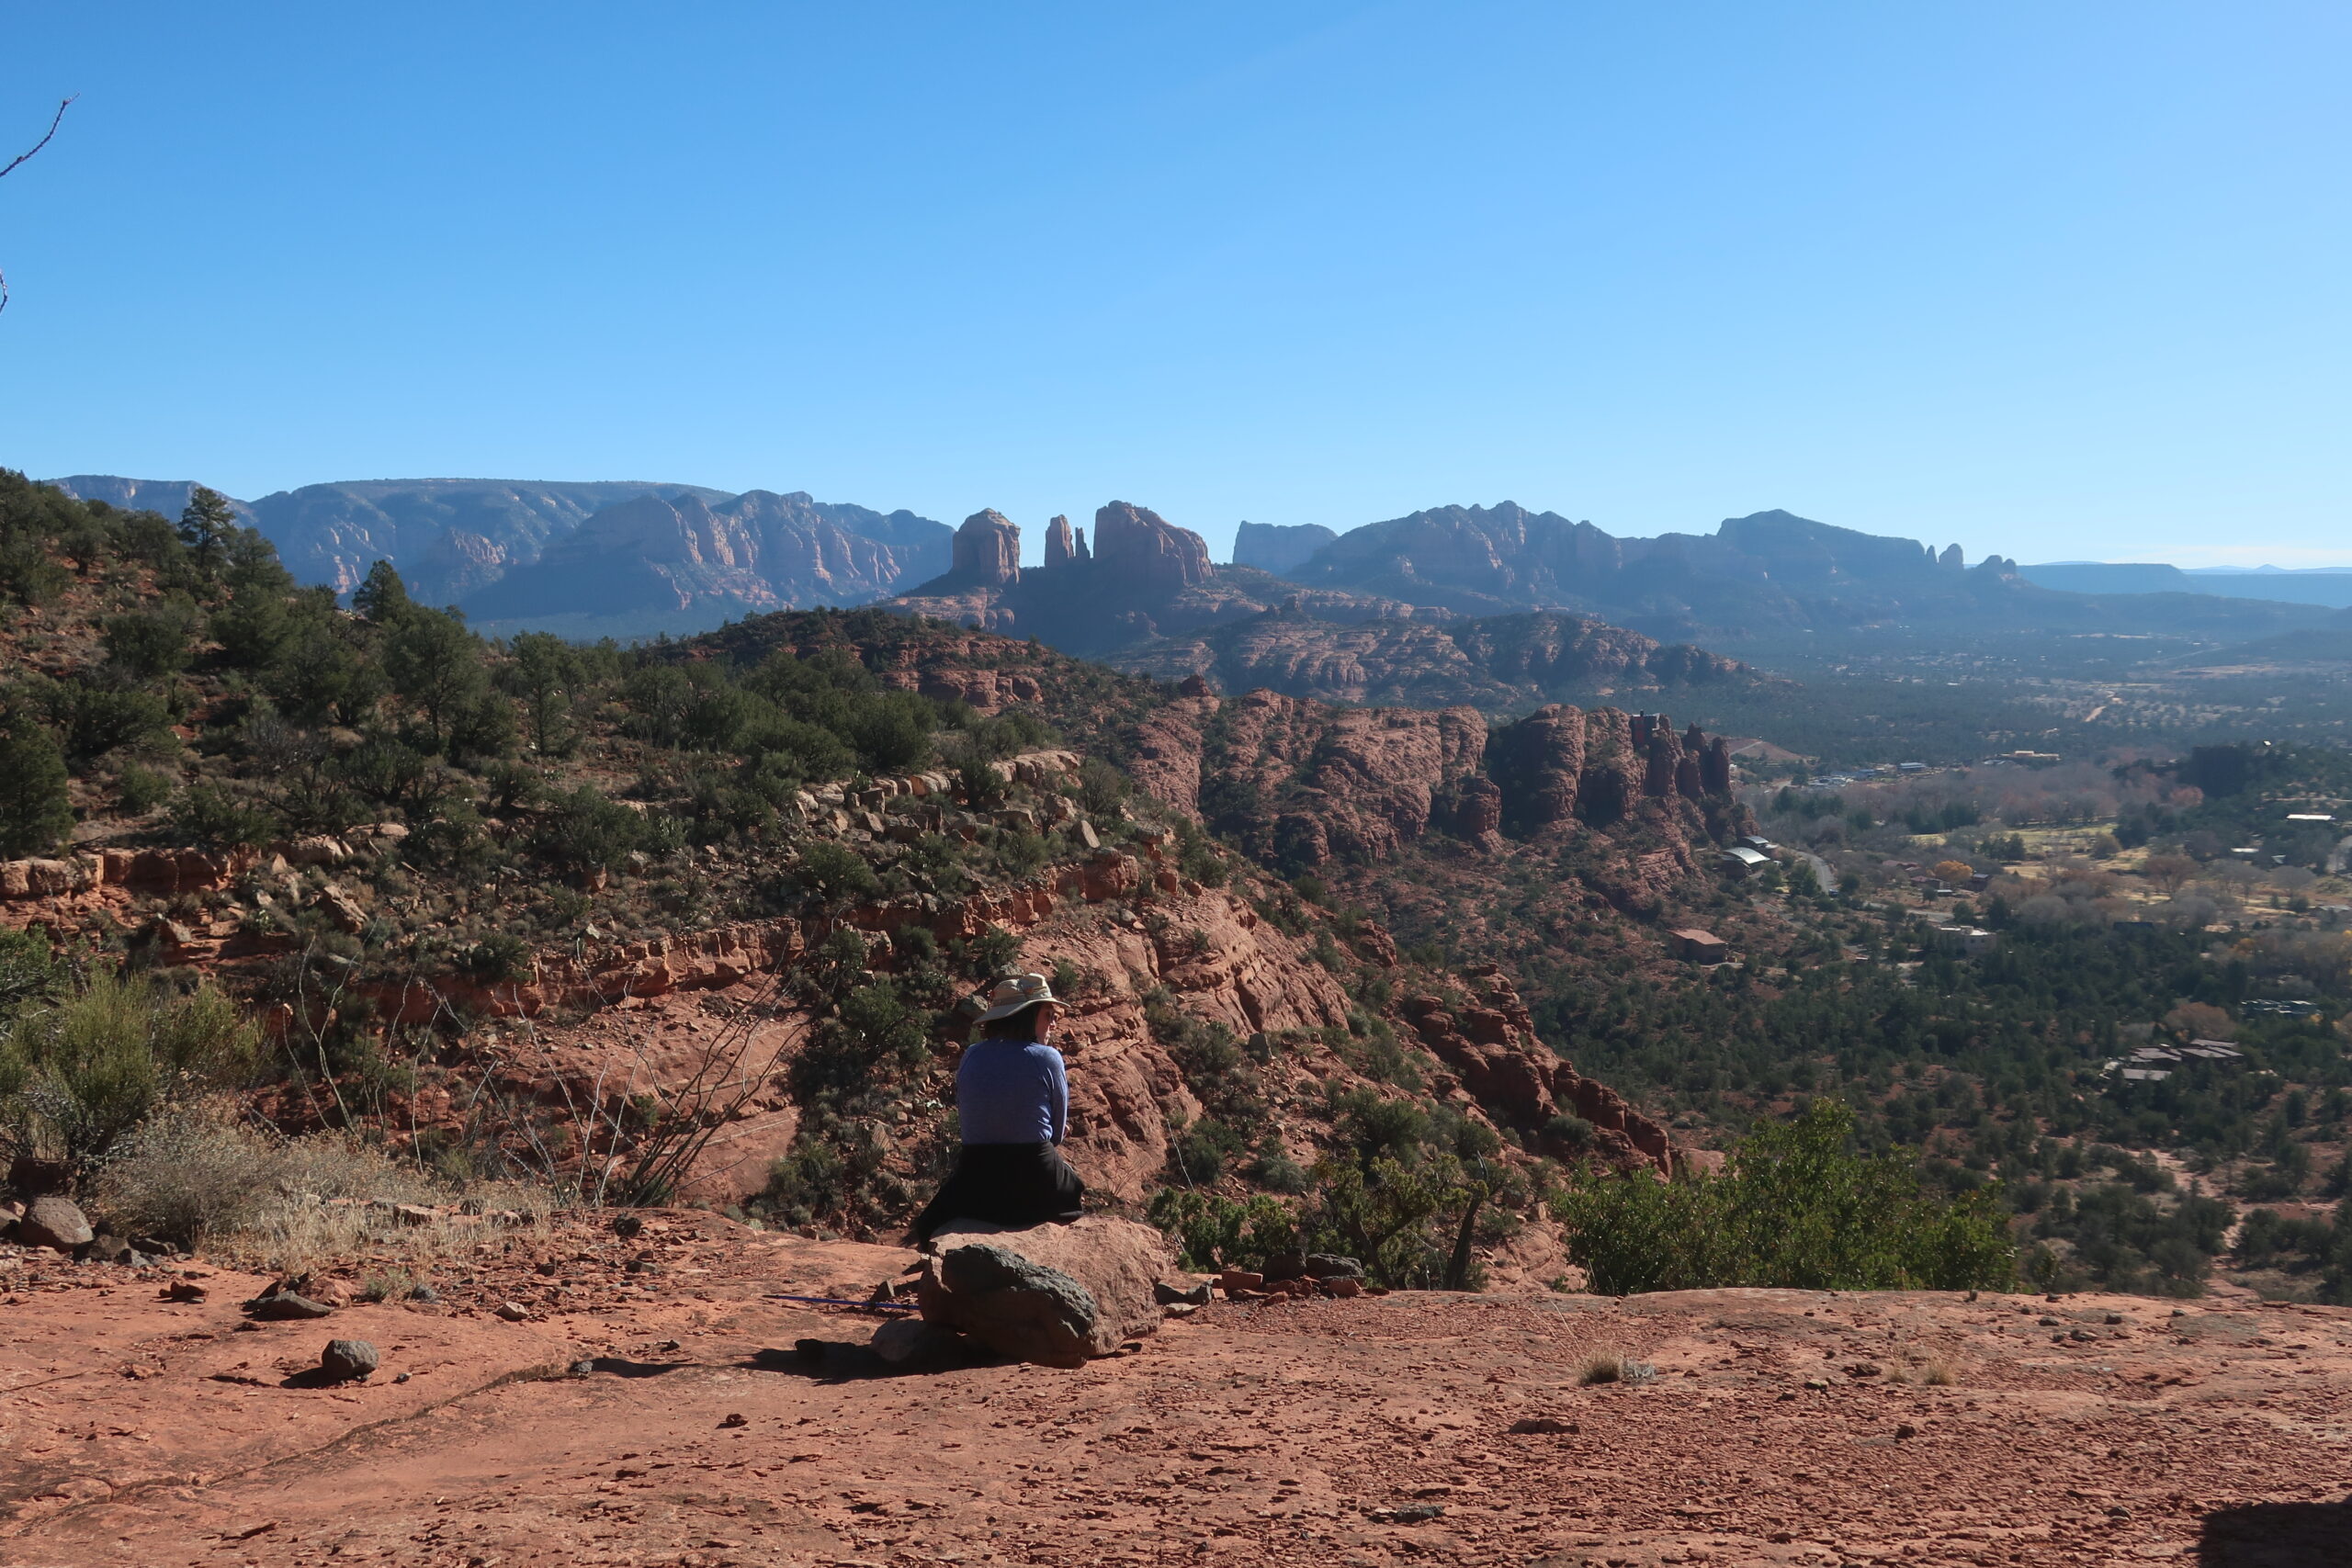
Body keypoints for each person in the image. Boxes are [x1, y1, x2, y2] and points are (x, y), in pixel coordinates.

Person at [910, 972, 1089, 1242]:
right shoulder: (1047, 1058)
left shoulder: (972, 1055)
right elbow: (1054, 1135)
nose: (1054, 1023)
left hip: (977, 1180)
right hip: (1034, 1179)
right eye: (1048, 1015)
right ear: (1027, 1016)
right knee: (1072, 1186)